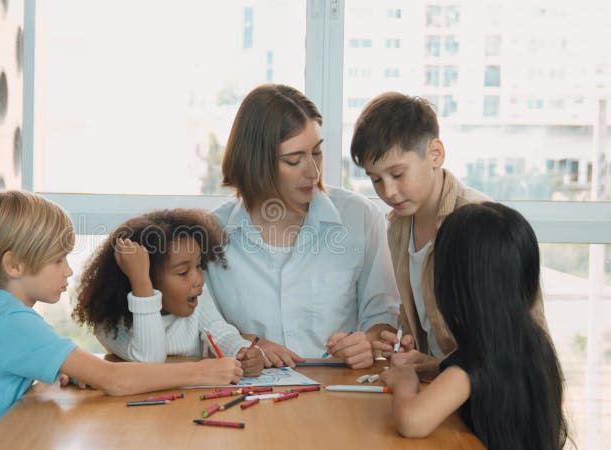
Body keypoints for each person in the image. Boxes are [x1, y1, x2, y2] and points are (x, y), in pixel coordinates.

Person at [0, 192, 242, 450]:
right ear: (14, 265)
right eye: (58, 260)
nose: (68, 271)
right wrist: (202, 371)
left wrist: (66, 370)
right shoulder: (12, 323)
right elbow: (114, 379)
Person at [204, 84, 400, 369]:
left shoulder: (358, 216)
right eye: (293, 160)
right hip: (251, 389)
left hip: (337, 387)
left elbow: (384, 316)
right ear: (255, 163)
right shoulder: (211, 234)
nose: (313, 172)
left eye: (317, 153)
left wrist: (366, 342)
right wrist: (240, 342)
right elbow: (197, 329)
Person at [350, 92, 547, 373]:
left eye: (397, 174)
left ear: (435, 154)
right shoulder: (397, 226)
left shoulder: (481, 225)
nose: (388, 192)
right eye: (376, 180)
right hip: (440, 384)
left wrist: (436, 366)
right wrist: (409, 348)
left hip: (490, 390)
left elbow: (513, 348)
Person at [380, 202, 569, 450]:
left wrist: (404, 383)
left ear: (454, 287)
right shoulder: (531, 344)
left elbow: (412, 422)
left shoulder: (476, 363)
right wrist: (437, 366)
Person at [73, 209, 265, 377]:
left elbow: (220, 332)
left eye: (199, 265)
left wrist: (241, 351)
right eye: (183, 272)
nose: (199, 279)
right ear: (147, 278)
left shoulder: (198, 300)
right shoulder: (111, 324)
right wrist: (141, 283)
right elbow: (150, 362)